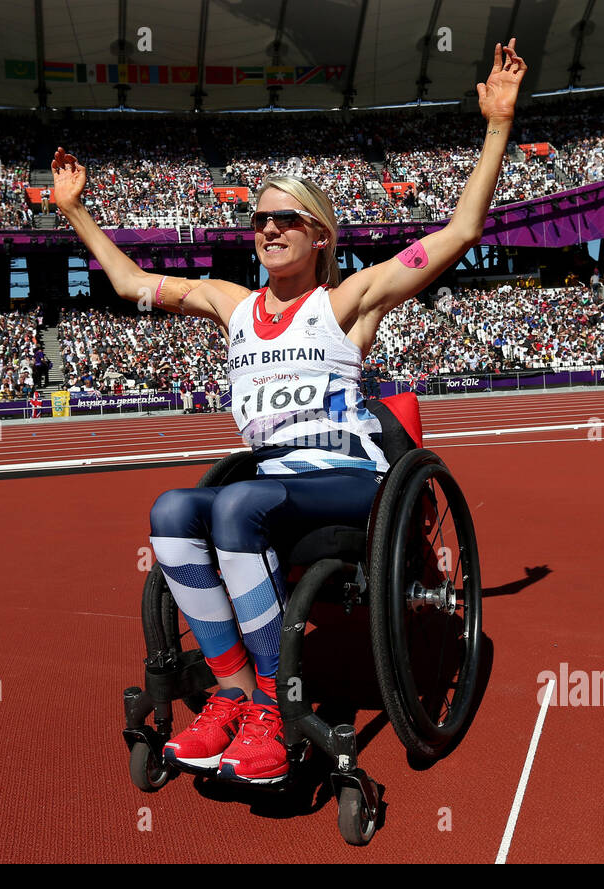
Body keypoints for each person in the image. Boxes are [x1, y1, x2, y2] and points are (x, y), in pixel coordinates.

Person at [50, 39, 527, 784]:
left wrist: (497, 124)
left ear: (320, 236)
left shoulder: (346, 304)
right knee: (174, 507)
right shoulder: (230, 305)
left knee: (236, 502)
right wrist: (77, 212)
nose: (270, 229)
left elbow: (459, 234)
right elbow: (129, 281)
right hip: (271, 483)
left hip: (345, 481)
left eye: (288, 219)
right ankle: (234, 696)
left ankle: (277, 706)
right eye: (261, 220)